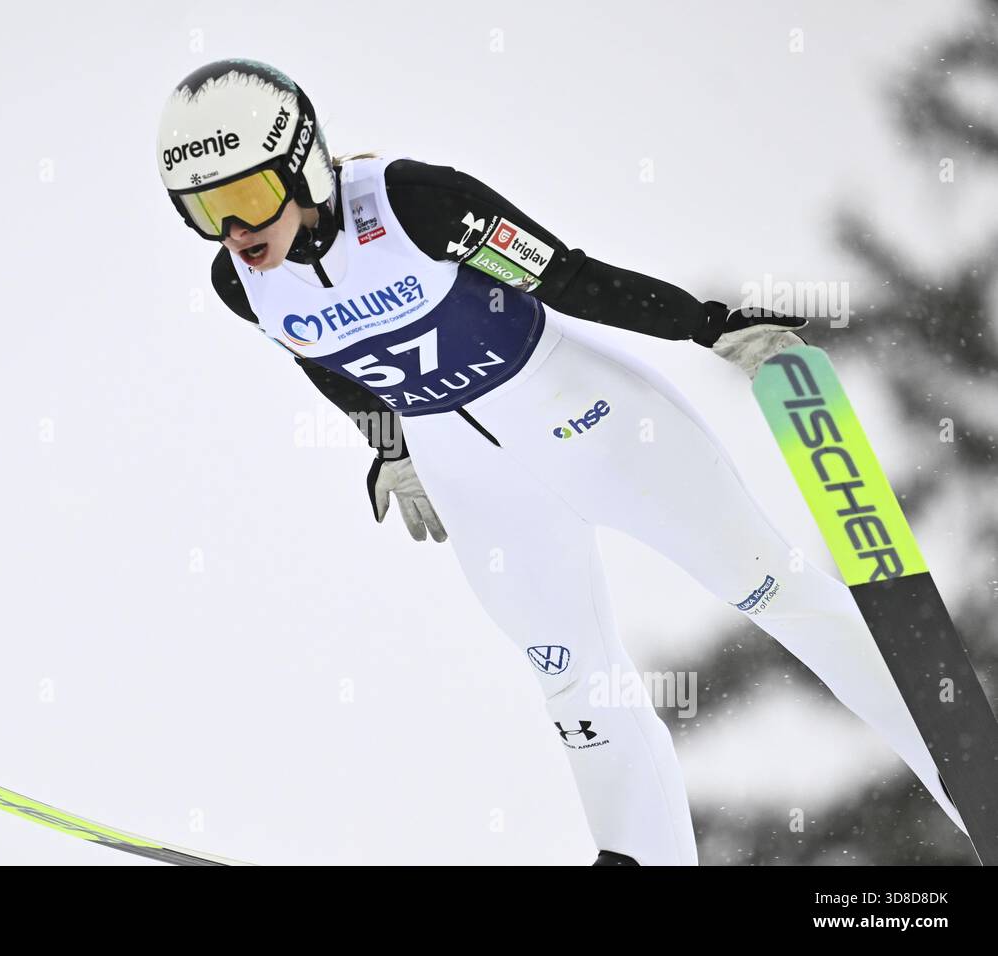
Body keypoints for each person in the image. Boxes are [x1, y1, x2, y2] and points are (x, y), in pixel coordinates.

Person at [155, 58, 967, 864]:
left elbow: (569, 277)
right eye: (203, 211)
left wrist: (708, 326)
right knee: (573, 681)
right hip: (478, 485)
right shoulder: (242, 285)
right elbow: (324, 361)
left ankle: (957, 763)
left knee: (770, 590)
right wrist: (391, 444)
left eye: (245, 197)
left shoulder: (415, 204)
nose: (233, 230)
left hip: (591, 423)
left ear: (301, 164)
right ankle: (641, 857)